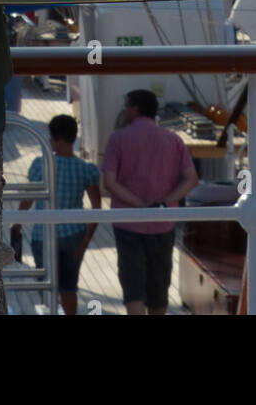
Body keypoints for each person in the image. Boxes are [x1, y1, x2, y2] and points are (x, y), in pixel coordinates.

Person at [102, 89, 199, 317]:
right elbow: (191, 178)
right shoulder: (173, 140)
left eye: (127, 106)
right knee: (159, 283)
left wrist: (138, 203)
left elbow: (109, 182)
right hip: (163, 221)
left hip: (128, 222)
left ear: (135, 109)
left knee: (132, 283)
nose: (125, 110)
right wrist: (168, 200)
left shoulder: (118, 139)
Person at [14, 114, 101, 316]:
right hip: (74, 235)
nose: (50, 141)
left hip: (43, 235)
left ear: (59, 138)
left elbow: (28, 198)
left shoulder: (40, 164)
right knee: (69, 286)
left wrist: (17, 223)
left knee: (46, 285)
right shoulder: (86, 169)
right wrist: (87, 239)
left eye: (51, 137)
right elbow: (97, 207)